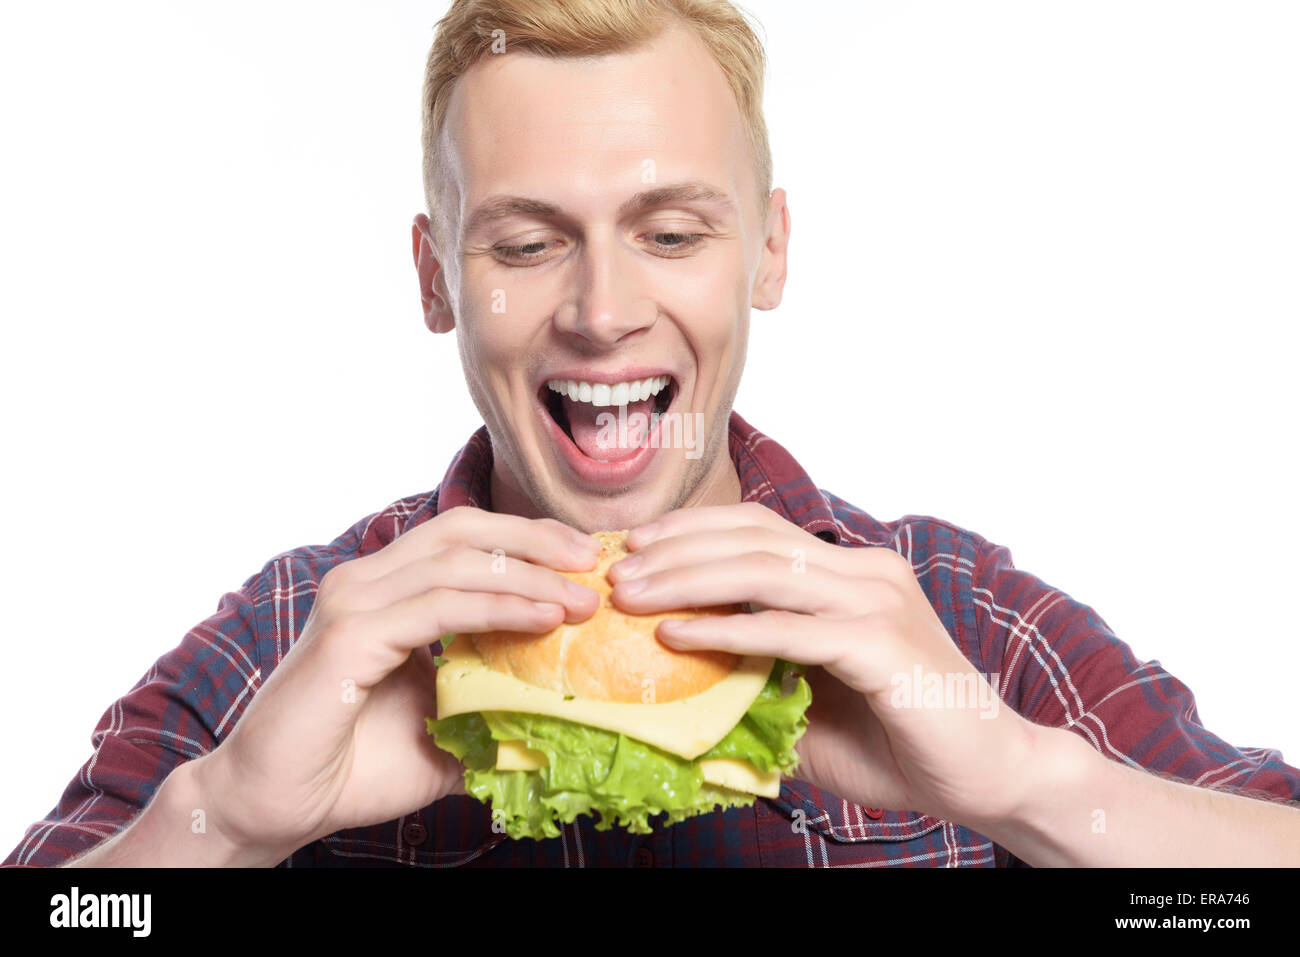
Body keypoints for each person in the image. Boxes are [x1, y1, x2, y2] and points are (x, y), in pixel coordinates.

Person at [6, 0, 1299, 868]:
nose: (605, 313)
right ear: (435, 278)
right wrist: (218, 817)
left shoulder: (956, 620)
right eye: (525, 242)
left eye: (672, 233)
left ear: (770, 249)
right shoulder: (294, 634)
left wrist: (1025, 781)